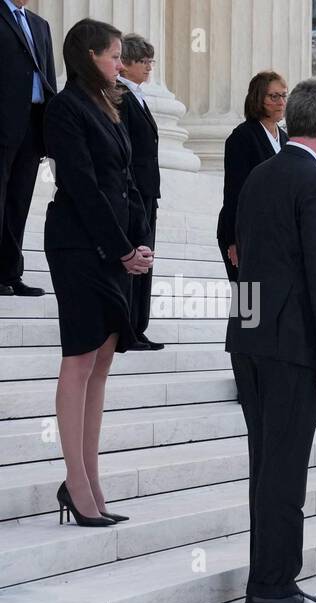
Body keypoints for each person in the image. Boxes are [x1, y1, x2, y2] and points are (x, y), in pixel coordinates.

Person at [224, 77, 316, 603]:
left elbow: (245, 257)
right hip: (292, 348)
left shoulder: (260, 175)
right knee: (285, 469)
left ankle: (267, 579)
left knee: (265, 466)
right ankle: (274, 585)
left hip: (249, 338)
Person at [45, 18, 152, 528]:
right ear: (90, 56)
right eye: (114, 56)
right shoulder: (65, 108)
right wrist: (119, 247)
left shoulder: (110, 106)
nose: (120, 63)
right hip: (78, 245)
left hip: (113, 248)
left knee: (103, 361)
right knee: (80, 359)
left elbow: (126, 180)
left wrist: (139, 241)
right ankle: (77, 481)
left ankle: (88, 476)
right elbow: (82, 186)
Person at [1, 0, 56, 298]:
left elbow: (49, 78)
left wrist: (53, 129)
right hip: (4, 123)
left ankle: (11, 273)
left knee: (18, 202)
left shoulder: (40, 24)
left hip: (33, 127)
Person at [217, 70, 288, 283]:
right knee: (247, 304)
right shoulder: (242, 138)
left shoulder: (285, 138)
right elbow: (234, 192)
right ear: (258, 98)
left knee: (266, 304)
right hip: (245, 234)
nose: (281, 102)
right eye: (273, 96)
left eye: (284, 95)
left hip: (274, 234)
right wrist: (234, 241)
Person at [117, 33, 163, 351]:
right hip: (133, 191)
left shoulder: (139, 96)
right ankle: (126, 327)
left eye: (150, 61)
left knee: (146, 258)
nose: (149, 67)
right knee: (134, 258)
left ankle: (138, 325)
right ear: (126, 63)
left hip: (148, 190)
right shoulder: (120, 95)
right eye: (143, 61)